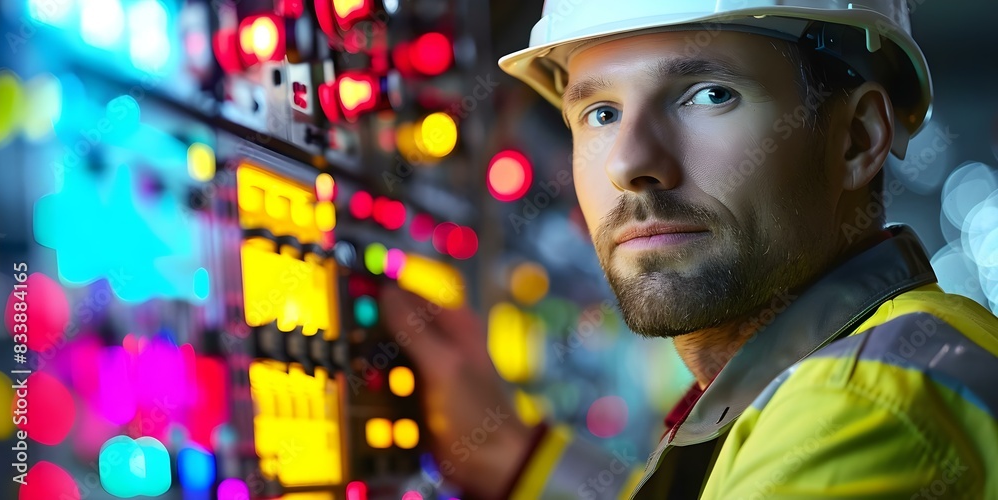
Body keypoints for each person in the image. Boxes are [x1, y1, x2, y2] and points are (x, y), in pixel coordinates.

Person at [380, 1, 998, 498]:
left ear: (857, 138)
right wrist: (513, 456)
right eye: (600, 113)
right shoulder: (863, 366)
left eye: (709, 95)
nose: (630, 163)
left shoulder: (864, 407)